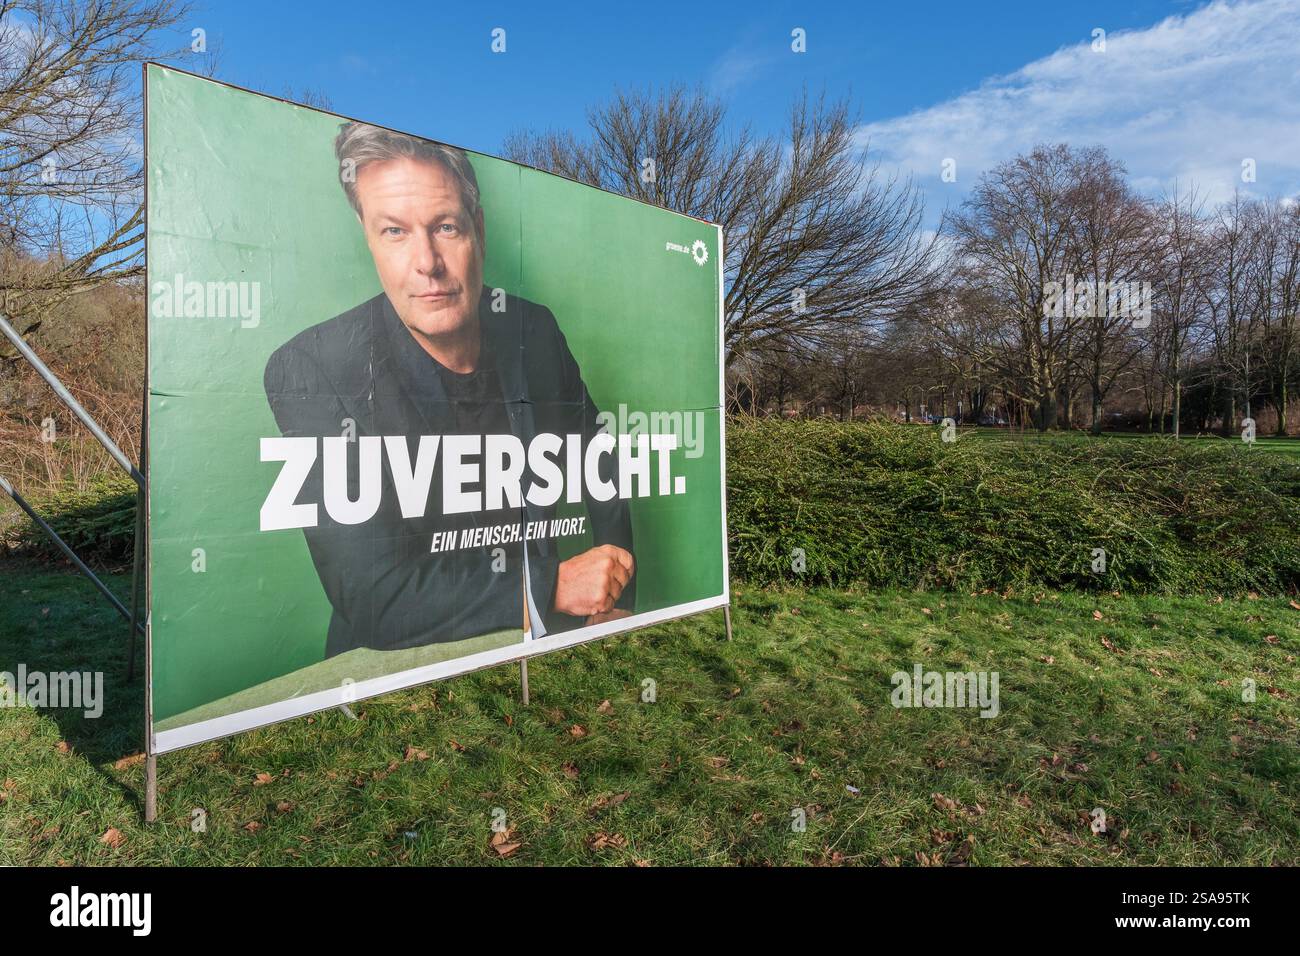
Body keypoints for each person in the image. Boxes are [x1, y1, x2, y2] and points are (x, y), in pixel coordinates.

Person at [263, 121, 634, 657]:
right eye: (394, 231)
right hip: (400, 684)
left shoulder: (533, 331)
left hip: (540, 654)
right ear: (367, 235)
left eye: (445, 227)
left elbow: (604, 464)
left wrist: (616, 589)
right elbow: (376, 600)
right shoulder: (310, 369)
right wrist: (550, 586)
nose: (427, 265)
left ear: (478, 229)